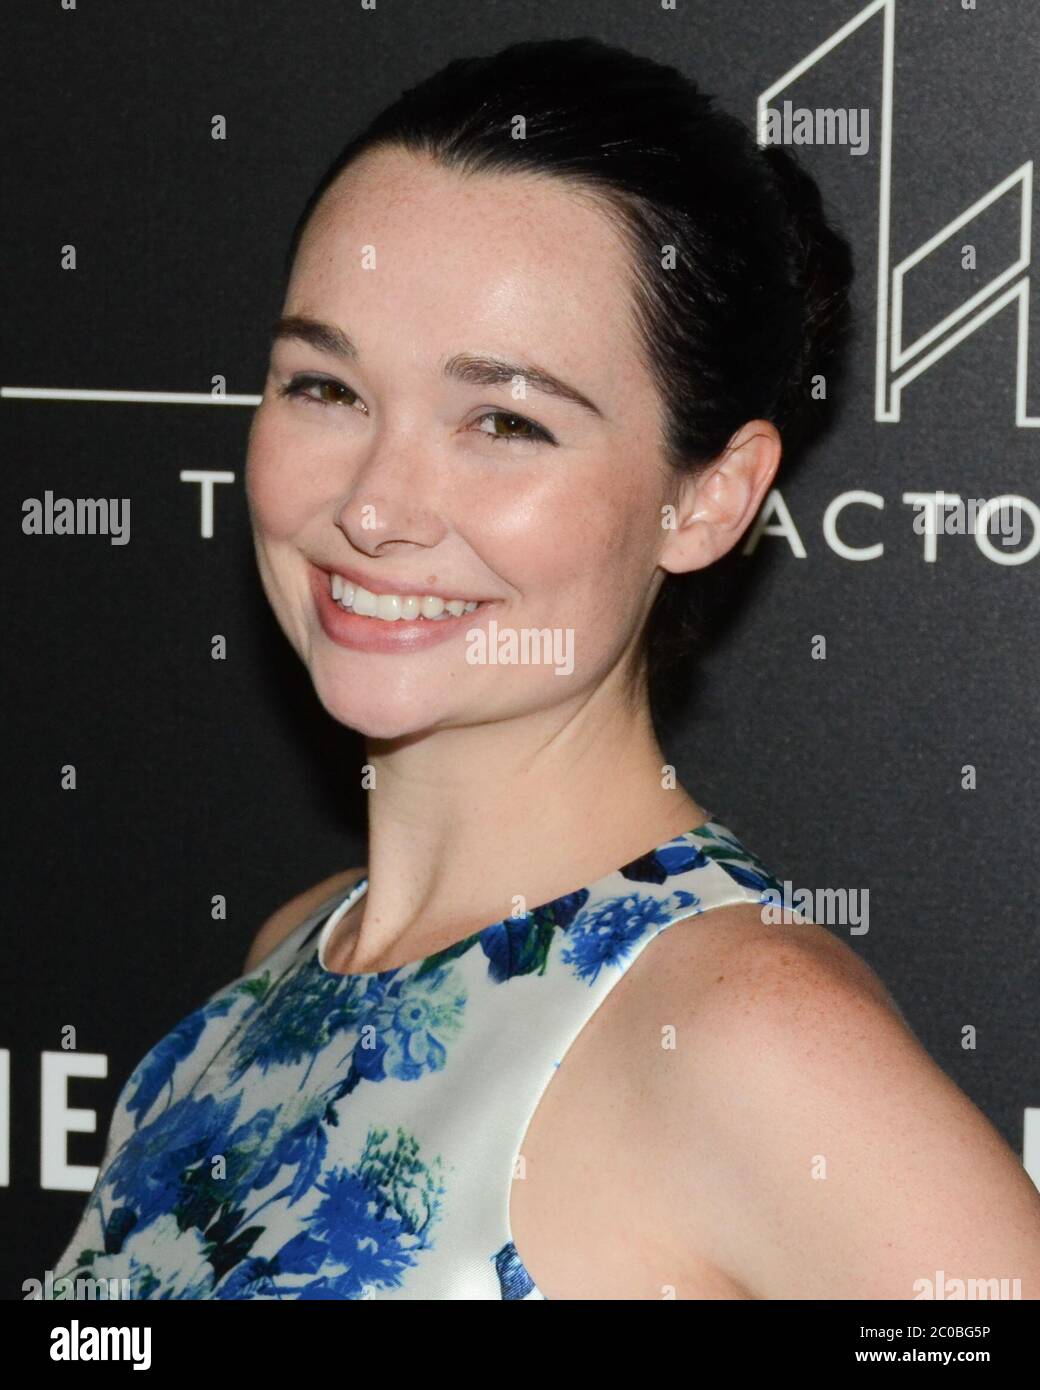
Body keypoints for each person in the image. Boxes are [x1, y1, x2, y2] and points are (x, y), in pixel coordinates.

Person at [44, 36, 1040, 1301]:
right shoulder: (291, 958)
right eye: (325, 386)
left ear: (708, 497)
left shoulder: (740, 1036)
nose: (376, 505)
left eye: (503, 421)